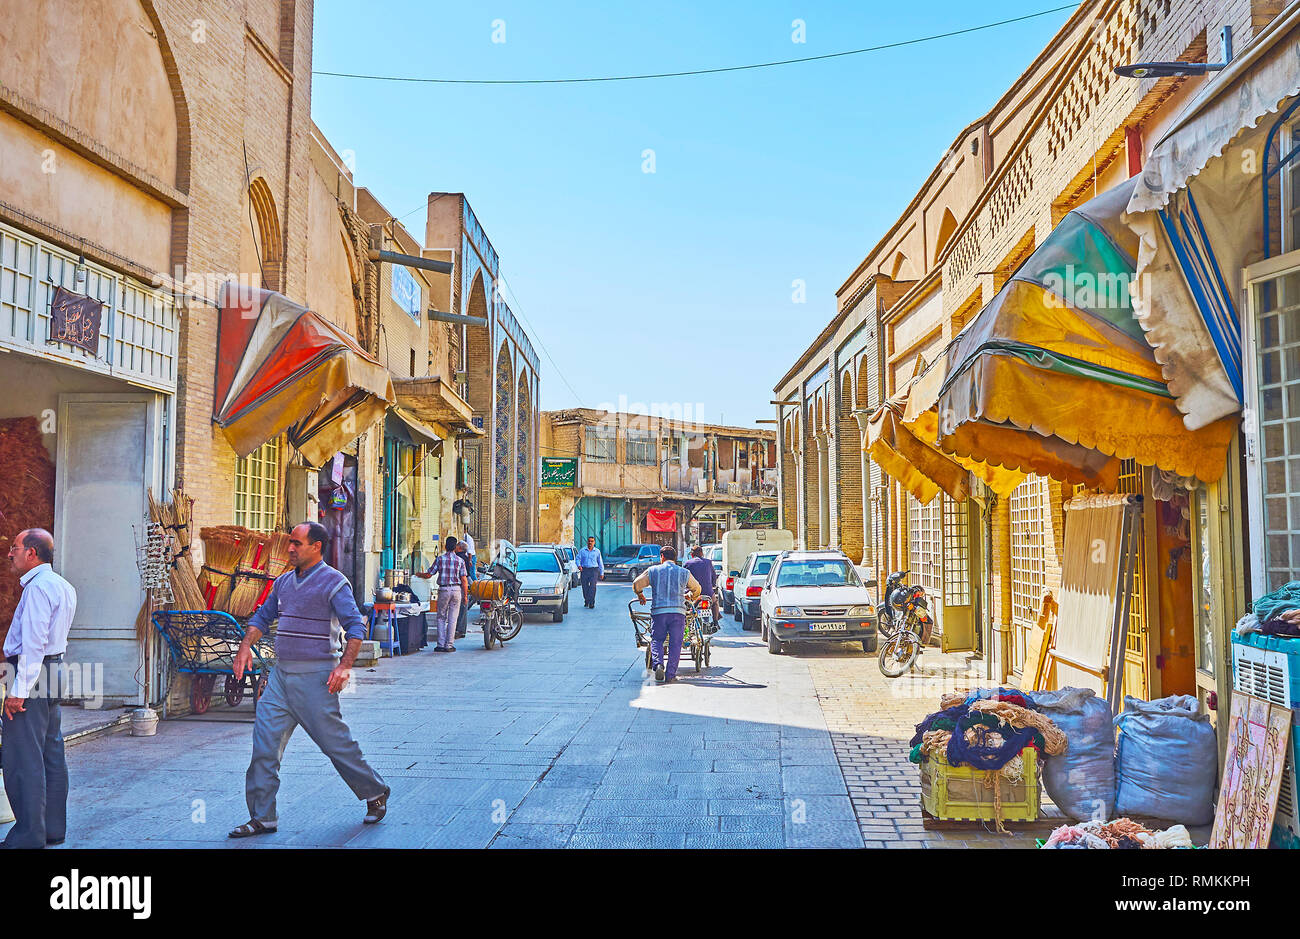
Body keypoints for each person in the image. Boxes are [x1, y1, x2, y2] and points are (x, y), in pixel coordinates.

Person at [228, 522, 389, 838]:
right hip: (280, 676)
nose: (290, 548)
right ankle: (263, 817)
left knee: (336, 745)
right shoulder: (284, 583)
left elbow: (355, 628)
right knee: (264, 746)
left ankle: (374, 791)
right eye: (290, 542)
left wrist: (344, 667)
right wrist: (245, 646)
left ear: (316, 546)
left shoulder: (334, 583)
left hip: (316, 679)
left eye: (296, 543)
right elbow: (262, 617)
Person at [2, 529, 74, 849]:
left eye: (15, 548)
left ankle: (28, 836)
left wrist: (18, 691)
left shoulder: (37, 588)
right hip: (54, 669)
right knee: (51, 753)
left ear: (32, 553)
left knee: (24, 756)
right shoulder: (62, 585)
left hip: (32, 673)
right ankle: (52, 829)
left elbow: (33, 644)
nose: (10, 554)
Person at [632, 545, 700, 683]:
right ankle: (670, 675)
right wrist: (690, 596)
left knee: (657, 639)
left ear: (662, 557)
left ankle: (658, 664)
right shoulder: (683, 572)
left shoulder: (653, 571)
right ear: (675, 558)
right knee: (676, 643)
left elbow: (636, 584)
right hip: (678, 613)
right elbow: (697, 588)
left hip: (659, 612)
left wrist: (640, 595)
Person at [417, 535, 469, 652]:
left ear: (445, 547)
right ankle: (449, 645)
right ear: (455, 547)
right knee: (453, 618)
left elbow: (429, 574)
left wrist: (419, 574)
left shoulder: (440, 559)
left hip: (444, 590)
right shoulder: (460, 561)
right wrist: (465, 596)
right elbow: (464, 580)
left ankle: (440, 644)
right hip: (456, 590)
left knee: (441, 617)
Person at [683, 545, 720, 629]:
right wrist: (713, 585)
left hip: (692, 594)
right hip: (708, 593)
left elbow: (683, 579)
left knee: (684, 606)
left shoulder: (688, 563)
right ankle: (715, 622)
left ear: (692, 554)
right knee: (715, 603)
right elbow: (714, 576)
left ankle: (685, 624)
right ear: (702, 553)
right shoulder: (708, 562)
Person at [454, 540, 476, 639]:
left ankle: (459, 630)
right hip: (466, 583)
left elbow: (463, 576)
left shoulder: (459, 558)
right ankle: (460, 630)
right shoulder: (465, 557)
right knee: (463, 608)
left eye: (457, 545)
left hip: (462, 584)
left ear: (459, 548)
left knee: (462, 608)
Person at [575, 536, 604, 609]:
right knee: (585, 587)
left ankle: (592, 602)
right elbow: (577, 559)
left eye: (592, 541)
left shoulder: (597, 551)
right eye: (589, 541)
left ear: (594, 542)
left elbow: (600, 562)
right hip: (584, 570)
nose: (590, 543)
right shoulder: (582, 551)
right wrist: (579, 566)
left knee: (592, 586)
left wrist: (601, 573)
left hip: (594, 570)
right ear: (587, 542)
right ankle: (587, 600)